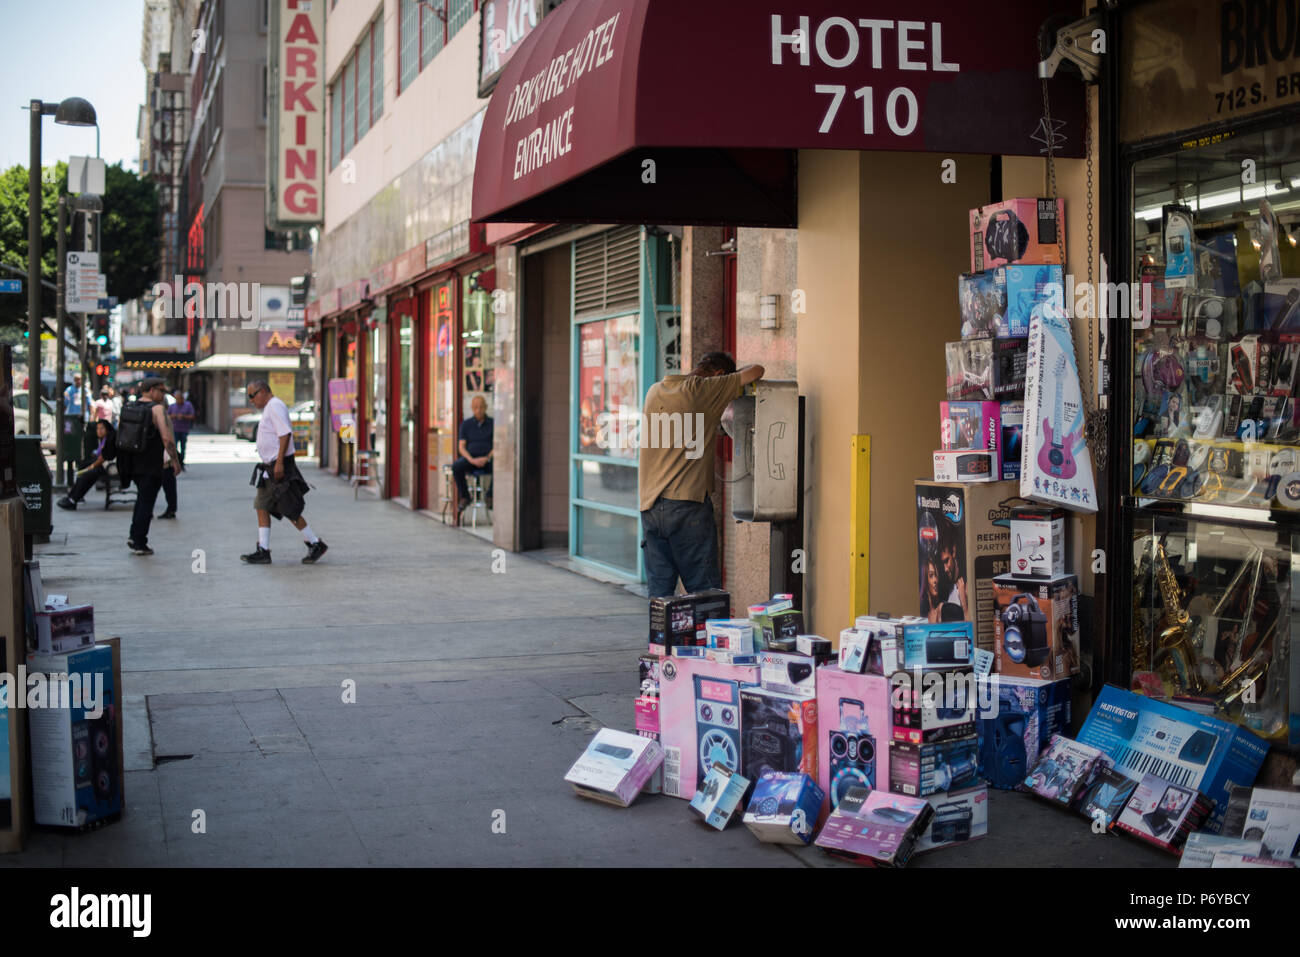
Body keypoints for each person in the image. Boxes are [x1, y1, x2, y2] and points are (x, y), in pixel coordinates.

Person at [638, 352, 764, 599]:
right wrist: (733, 381)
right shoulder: (702, 390)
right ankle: (710, 638)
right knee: (705, 593)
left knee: (661, 597)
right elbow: (756, 370)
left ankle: (663, 639)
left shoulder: (655, 390)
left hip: (650, 507)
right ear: (718, 375)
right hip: (687, 506)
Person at [240, 379, 328, 564]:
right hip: (269, 468)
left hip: (278, 467)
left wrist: (279, 463)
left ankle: (315, 543)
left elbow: (285, 434)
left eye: (252, 396)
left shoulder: (275, 406)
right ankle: (263, 550)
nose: (251, 400)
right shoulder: (270, 408)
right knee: (261, 505)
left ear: (263, 391)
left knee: (289, 507)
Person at [117, 377, 182, 556]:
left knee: (141, 499)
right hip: (151, 463)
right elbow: (167, 438)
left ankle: (134, 535)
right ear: (152, 390)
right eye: (161, 391)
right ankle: (140, 542)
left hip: (131, 462)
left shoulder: (130, 406)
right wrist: (175, 461)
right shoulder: (157, 409)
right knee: (147, 502)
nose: (163, 395)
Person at [55, 419, 116, 510]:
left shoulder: (110, 439)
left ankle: (73, 500)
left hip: (108, 466)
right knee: (82, 468)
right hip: (103, 464)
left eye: (102, 428)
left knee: (86, 475)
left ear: (107, 429)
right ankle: (73, 496)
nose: (99, 431)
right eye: (97, 429)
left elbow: (103, 457)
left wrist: (91, 466)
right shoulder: (103, 439)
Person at [452, 395, 493, 514]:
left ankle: (490, 496)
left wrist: (487, 457)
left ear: (486, 407)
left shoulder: (492, 423)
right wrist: (472, 460)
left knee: (500, 467)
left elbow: (498, 445)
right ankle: (465, 496)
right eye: (475, 407)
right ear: (472, 408)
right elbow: (461, 447)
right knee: (456, 466)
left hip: (488, 459)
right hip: (471, 459)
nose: (478, 410)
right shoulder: (466, 424)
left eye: (481, 407)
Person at [168, 389, 195, 464]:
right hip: (175, 429)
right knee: (175, 446)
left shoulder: (188, 405)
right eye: (177, 399)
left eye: (180, 398)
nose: (179, 400)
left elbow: (193, 416)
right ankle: (176, 461)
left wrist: (184, 416)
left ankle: (182, 461)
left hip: (184, 429)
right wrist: (173, 416)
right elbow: (167, 416)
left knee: (183, 447)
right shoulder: (172, 406)